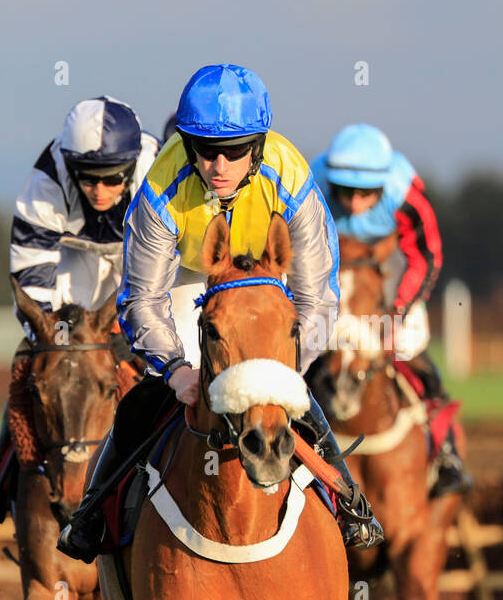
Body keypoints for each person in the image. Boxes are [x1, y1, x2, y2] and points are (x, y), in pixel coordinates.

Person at [57, 63, 385, 560]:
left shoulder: (294, 183)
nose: (219, 165)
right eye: (206, 150)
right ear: (188, 145)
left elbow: (318, 298)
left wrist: (283, 371)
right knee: (143, 400)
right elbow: (141, 299)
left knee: (292, 395)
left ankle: (350, 504)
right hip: (190, 278)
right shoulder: (160, 192)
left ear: (259, 145)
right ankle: (90, 515)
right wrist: (174, 371)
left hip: (266, 282)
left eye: (235, 150)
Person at [0, 95, 159, 523]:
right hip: (74, 262)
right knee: (47, 363)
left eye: (111, 180)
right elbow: (32, 281)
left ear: (129, 168)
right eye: (88, 179)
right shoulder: (47, 183)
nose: (98, 190)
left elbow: (162, 272)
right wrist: (61, 341)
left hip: (144, 259)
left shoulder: (157, 175)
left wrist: (127, 338)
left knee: (160, 353)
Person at [311, 123, 472, 495]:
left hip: (391, 264)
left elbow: (426, 256)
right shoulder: (310, 186)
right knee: (307, 346)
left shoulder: (405, 195)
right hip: (331, 271)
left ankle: (447, 453)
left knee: (410, 343)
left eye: (366, 193)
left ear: (383, 185)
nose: (353, 203)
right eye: (346, 191)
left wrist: (397, 311)